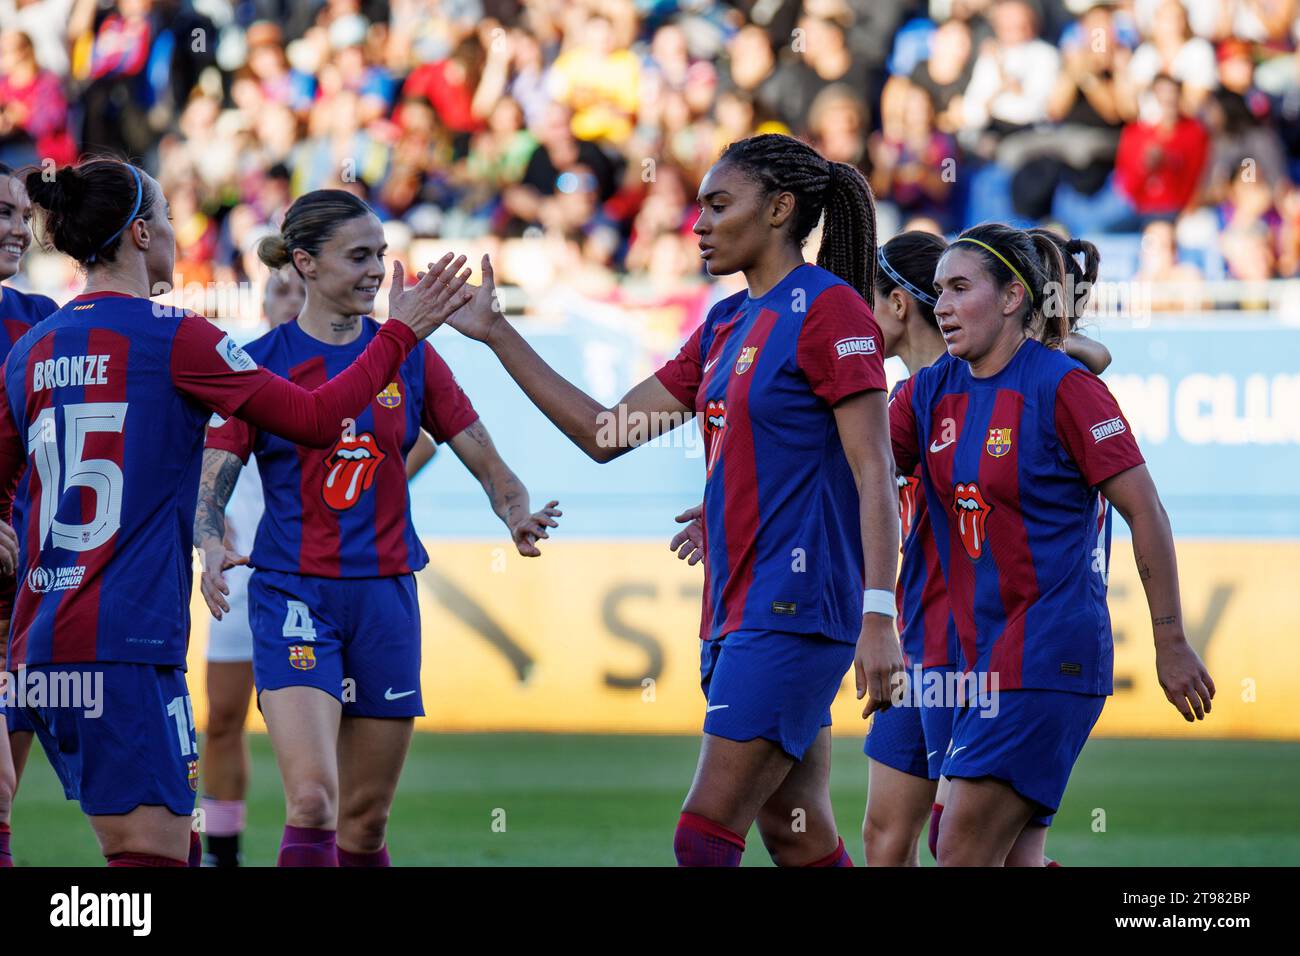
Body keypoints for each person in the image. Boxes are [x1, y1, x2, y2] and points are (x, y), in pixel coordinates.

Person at [445, 132, 902, 867]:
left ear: (780, 209)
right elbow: (605, 433)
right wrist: (497, 331)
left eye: (719, 205)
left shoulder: (832, 310)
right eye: (699, 207)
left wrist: (880, 615)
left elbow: (874, 468)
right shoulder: (724, 322)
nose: (699, 224)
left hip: (794, 608)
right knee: (798, 836)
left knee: (703, 834)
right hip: (732, 605)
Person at [0, 157, 473, 866]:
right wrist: (400, 336)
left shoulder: (31, 348)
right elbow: (314, 419)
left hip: (38, 641)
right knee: (148, 861)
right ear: (139, 235)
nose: (175, 231)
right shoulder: (176, 335)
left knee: (163, 845)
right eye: (165, 217)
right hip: (125, 640)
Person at [195, 189, 561, 867]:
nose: (376, 271)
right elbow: (215, 473)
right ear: (305, 263)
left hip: (385, 598)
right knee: (313, 801)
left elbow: (488, 461)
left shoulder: (414, 359)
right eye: (358, 256)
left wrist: (515, 510)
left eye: (381, 255)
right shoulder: (259, 362)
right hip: (293, 594)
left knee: (364, 824)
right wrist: (210, 540)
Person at [890, 221, 1214, 866]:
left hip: (1046, 655)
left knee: (959, 849)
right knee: (1004, 855)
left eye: (960, 288)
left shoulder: (1066, 388)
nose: (942, 305)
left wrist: (1171, 640)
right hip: (975, 661)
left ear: (1014, 297)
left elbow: (1145, 511)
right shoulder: (931, 390)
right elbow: (853, 465)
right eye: (938, 290)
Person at [196, 264, 304, 867]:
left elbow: (417, 440)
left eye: (299, 288)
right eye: (279, 289)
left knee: (316, 724)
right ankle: (224, 852)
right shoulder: (238, 369)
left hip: (310, 572)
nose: (289, 299)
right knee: (224, 718)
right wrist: (207, 519)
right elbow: (193, 451)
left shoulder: (343, 368)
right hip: (240, 571)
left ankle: (321, 839)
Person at [0, 159, 57, 867]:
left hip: (25, 587)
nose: (18, 229)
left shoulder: (41, 321)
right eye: (2, 214)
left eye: (23, 215)